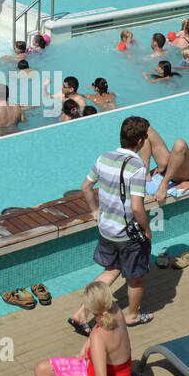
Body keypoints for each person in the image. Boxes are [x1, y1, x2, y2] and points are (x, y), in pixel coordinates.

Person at [71, 116, 154, 330]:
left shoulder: (104, 157)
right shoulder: (137, 167)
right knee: (136, 277)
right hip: (127, 235)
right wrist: (147, 230)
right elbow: (137, 207)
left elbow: (85, 187)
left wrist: (94, 211)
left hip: (107, 230)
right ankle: (133, 316)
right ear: (139, 142)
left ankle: (81, 314)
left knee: (112, 270)